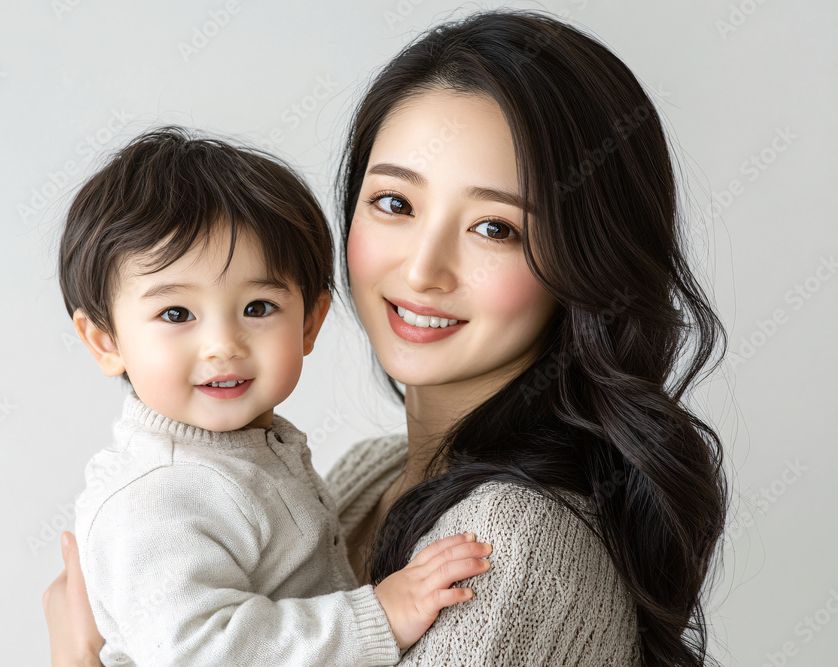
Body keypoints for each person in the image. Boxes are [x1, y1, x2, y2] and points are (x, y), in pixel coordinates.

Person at [45, 8, 729, 666]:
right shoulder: (361, 476)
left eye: (495, 227)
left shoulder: (516, 541)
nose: (422, 269)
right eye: (396, 204)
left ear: (588, 262)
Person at [55, 126, 493, 666]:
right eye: (176, 314)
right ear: (106, 341)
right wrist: (380, 613)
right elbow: (202, 653)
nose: (222, 345)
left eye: (258, 308)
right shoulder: (157, 495)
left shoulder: (248, 456)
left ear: (310, 322)